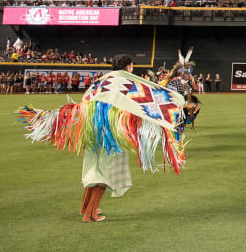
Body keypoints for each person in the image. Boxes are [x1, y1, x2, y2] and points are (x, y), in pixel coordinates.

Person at [14, 54, 188, 223]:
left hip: (91, 130)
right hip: (108, 133)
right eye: (131, 66)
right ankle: (89, 214)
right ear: (128, 67)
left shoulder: (103, 81)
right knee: (103, 172)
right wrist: (175, 101)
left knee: (94, 168)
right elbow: (147, 98)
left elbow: (86, 102)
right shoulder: (124, 81)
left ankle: (86, 208)